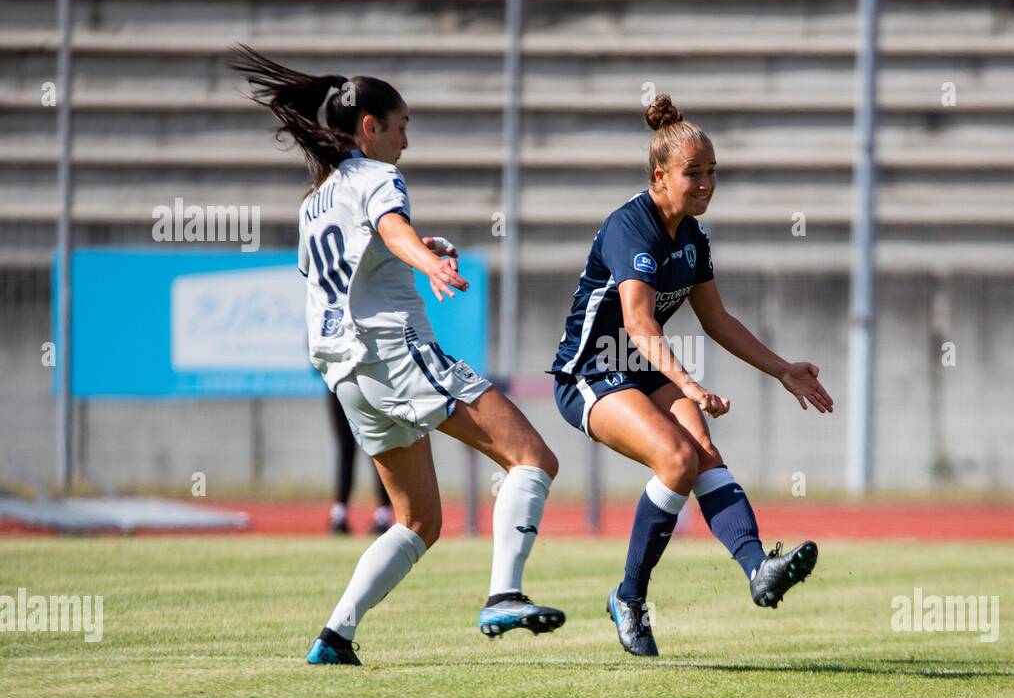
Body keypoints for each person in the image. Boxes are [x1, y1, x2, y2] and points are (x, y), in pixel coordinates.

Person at [230, 44, 565, 665]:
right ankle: (503, 594)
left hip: (346, 373)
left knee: (417, 520)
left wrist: (418, 248)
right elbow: (390, 231)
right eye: (402, 126)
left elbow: (354, 258)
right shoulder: (380, 177)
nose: (406, 142)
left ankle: (334, 637)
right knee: (532, 457)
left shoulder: (313, 203)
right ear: (370, 127)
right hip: (394, 351)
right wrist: (429, 260)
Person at [549, 93, 835, 657]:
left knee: (701, 451)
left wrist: (782, 370)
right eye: (692, 173)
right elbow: (635, 322)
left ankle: (758, 569)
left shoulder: (692, 238)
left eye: (711, 172)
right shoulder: (632, 227)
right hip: (590, 369)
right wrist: (688, 383)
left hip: (643, 365)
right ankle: (629, 599)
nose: (706, 184)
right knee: (676, 459)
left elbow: (718, 321)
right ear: (660, 175)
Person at [326, 389, 394, 535]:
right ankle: (340, 514)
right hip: (339, 385)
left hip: (365, 386)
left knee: (376, 448)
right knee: (347, 449)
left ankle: (383, 515)